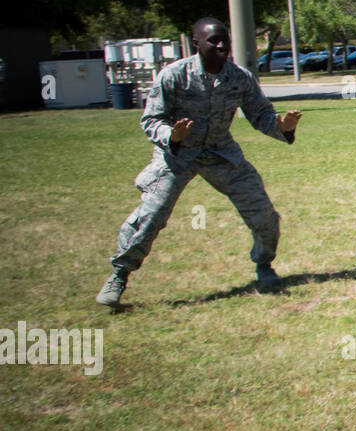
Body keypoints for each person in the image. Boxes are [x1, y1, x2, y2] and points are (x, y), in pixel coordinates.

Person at [96, 18, 303, 307]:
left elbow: (261, 115)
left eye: (225, 40)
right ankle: (119, 274)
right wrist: (172, 134)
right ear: (196, 43)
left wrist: (282, 126)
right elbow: (151, 119)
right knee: (152, 215)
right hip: (178, 154)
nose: (221, 46)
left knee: (264, 213)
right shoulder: (174, 75)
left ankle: (264, 265)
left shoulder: (240, 77)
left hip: (221, 152)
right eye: (213, 41)